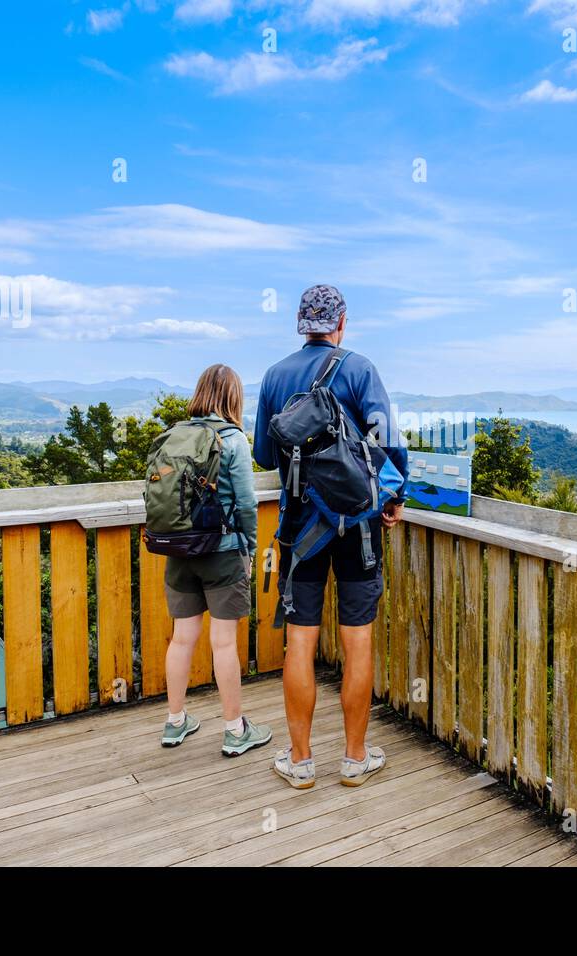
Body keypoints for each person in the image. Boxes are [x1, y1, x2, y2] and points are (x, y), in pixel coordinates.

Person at [253, 285, 407, 789]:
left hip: (299, 529)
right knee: (357, 641)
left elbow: (264, 454)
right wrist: (392, 499)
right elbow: (386, 439)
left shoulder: (276, 376)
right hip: (358, 526)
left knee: (299, 642)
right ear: (341, 322)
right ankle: (355, 758)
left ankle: (299, 763)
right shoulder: (360, 369)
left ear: (300, 323)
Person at [160, 364, 273, 757]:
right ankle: (234, 729)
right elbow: (245, 503)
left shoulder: (175, 434)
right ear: (233, 398)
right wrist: (250, 549)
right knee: (223, 644)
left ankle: (175, 723)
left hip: (178, 550)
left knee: (181, 638)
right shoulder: (234, 440)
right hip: (222, 552)